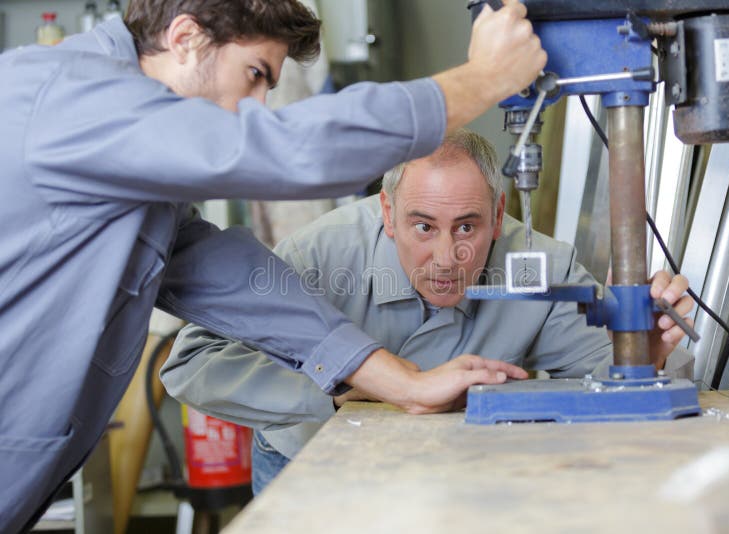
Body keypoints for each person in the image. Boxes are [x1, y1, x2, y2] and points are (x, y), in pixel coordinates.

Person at [0, 0, 545, 530]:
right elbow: (280, 149)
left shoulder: (127, 158)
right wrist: (481, 80)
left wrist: (398, 380)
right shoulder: (73, 98)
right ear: (185, 38)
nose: (255, 106)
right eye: (254, 74)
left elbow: (226, 278)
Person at [161, 130, 696, 494]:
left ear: (499, 213)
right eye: (423, 227)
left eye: (468, 226)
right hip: (313, 468)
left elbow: (606, 379)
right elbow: (192, 363)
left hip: (463, 473)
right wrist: (353, 386)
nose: (446, 258)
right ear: (387, 213)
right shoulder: (320, 255)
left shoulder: (539, 264)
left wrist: (643, 351)